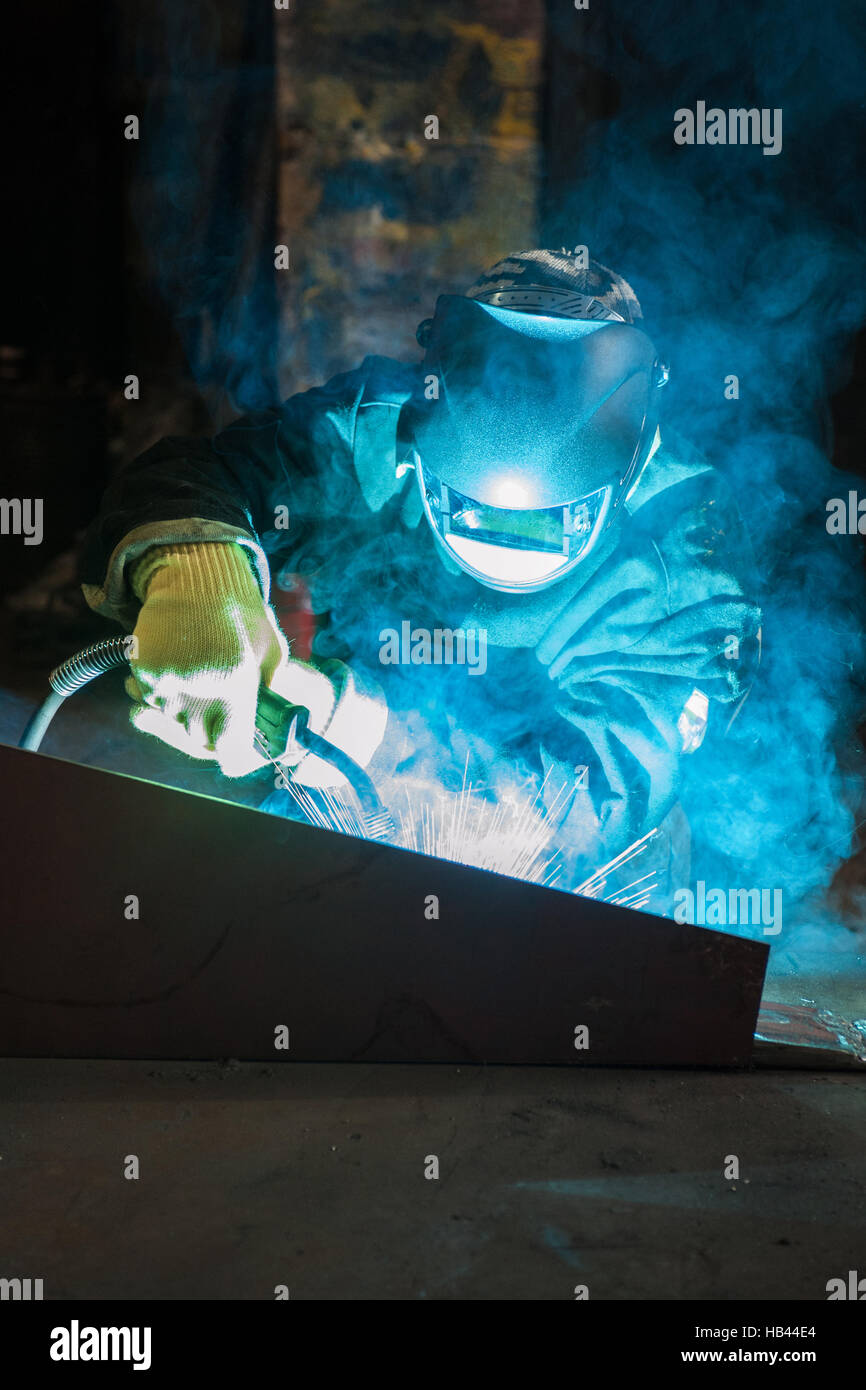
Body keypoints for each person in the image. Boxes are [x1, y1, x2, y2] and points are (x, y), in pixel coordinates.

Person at [81, 249, 761, 884]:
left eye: (545, 524)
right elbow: (202, 476)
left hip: (583, 866)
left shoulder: (684, 550)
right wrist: (199, 572)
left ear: (625, 475)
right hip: (333, 790)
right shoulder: (376, 433)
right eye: (463, 507)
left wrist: (341, 721)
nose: (500, 538)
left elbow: (588, 804)